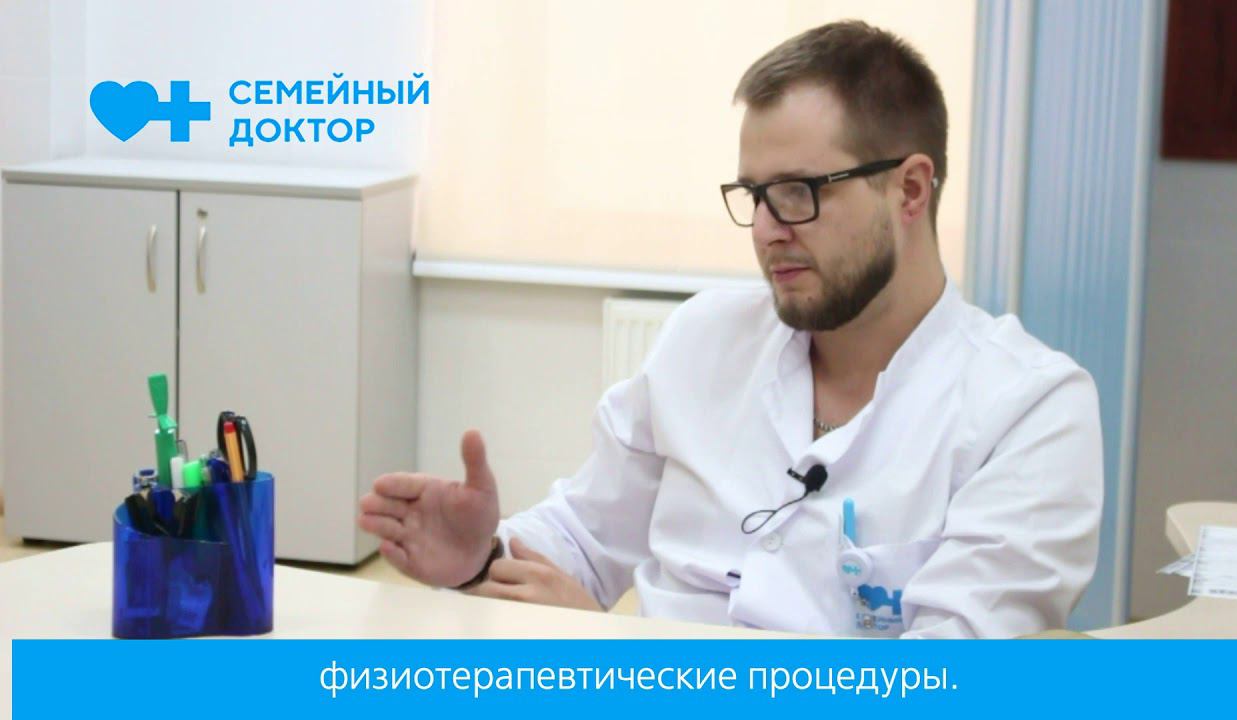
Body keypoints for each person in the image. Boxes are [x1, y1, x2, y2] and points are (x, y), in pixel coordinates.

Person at [358, 20, 1103, 638]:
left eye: (799, 192)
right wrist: (481, 560)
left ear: (909, 189)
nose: (768, 229)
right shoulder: (704, 339)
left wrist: (626, 662)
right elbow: (585, 536)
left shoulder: (1030, 411)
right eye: (754, 195)